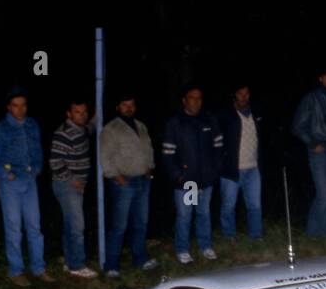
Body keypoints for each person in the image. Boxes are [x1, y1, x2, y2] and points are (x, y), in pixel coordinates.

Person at [0, 88, 51, 285]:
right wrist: (5, 173)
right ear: (9, 107)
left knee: (35, 227)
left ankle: (38, 268)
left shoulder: (32, 125)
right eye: (16, 106)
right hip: (10, 184)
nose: (20, 109)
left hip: (30, 181)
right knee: (13, 228)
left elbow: (38, 151)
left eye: (23, 105)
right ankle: (16, 270)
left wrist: (37, 168)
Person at [160, 83, 223, 264]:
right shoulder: (175, 123)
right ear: (184, 100)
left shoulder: (209, 120)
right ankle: (182, 249)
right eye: (192, 98)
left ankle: (206, 246)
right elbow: (167, 153)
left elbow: (219, 146)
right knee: (185, 215)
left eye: (199, 98)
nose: (195, 101)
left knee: (204, 213)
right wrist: (178, 175)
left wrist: (214, 169)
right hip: (188, 181)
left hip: (206, 179)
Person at [100, 92, 158, 275]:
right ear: (118, 107)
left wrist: (150, 168)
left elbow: (149, 149)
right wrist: (117, 178)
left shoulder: (140, 126)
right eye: (125, 105)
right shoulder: (111, 129)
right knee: (119, 226)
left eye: (131, 104)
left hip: (143, 181)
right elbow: (105, 158)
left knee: (140, 223)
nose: (129, 108)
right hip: (123, 183)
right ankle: (111, 265)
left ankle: (140, 258)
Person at [291, 66, 326, 237]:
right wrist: (312, 143)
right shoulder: (312, 98)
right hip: (319, 151)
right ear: (320, 78)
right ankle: (312, 232)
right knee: (323, 195)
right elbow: (297, 126)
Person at [49, 97, 96, 278]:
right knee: (77, 226)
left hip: (76, 185)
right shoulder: (64, 134)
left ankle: (69, 262)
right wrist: (72, 180)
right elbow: (54, 161)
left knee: (70, 225)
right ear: (69, 114)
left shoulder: (82, 129)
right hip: (66, 185)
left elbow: (91, 126)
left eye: (84, 112)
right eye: (77, 112)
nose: (82, 116)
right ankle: (78, 265)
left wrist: (95, 116)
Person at [216, 83, 264, 240]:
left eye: (246, 93)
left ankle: (256, 236)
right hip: (232, 170)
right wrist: (221, 163)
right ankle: (229, 236)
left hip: (253, 168)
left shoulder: (256, 113)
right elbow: (215, 141)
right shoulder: (225, 115)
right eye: (240, 93)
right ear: (234, 95)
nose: (244, 97)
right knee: (228, 206)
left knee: (255, 206)